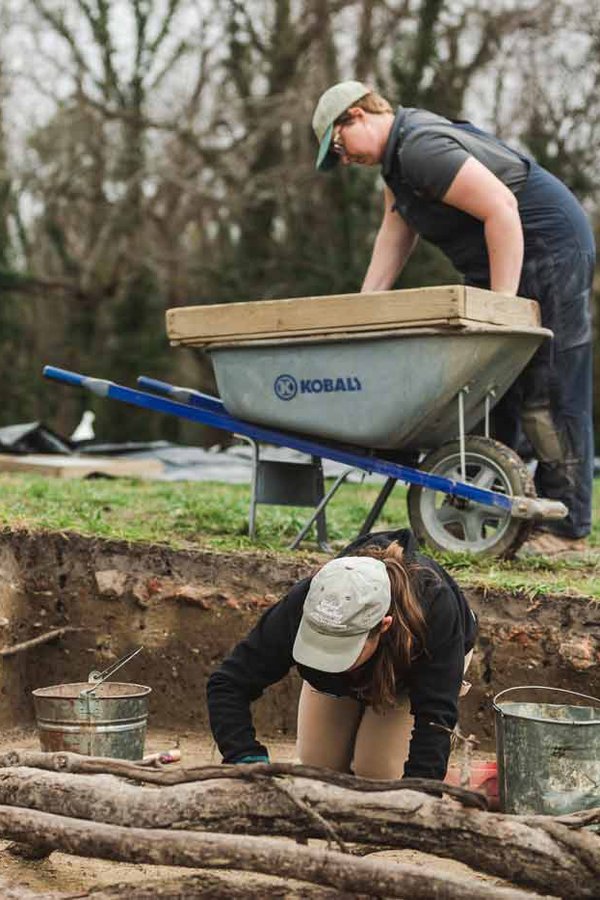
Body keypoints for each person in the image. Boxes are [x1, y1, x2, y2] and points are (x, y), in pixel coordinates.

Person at [311, 81, 596, 556]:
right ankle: (497, 509)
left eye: (338, 147)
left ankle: (567, 529)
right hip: (504, 258)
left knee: (548, 388)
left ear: (357, 115)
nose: (343, 159)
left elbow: (503, 208)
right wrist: (363, 311)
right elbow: (395, 233)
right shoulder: (397, 169)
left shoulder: (420, 146)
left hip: (549, 248)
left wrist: (501, 308)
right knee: (492, 389)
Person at [207, 529, 477, 781]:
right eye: (322, 642)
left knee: (377, 774)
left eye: (342, 647)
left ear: (383, 626)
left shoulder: (434, 613)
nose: (330, 658)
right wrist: (244, 757)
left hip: (411, 671)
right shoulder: (307, 601)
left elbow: (434, 717)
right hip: (345, 682)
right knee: (319, 771)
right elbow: (228, 682)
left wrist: (420, 797)